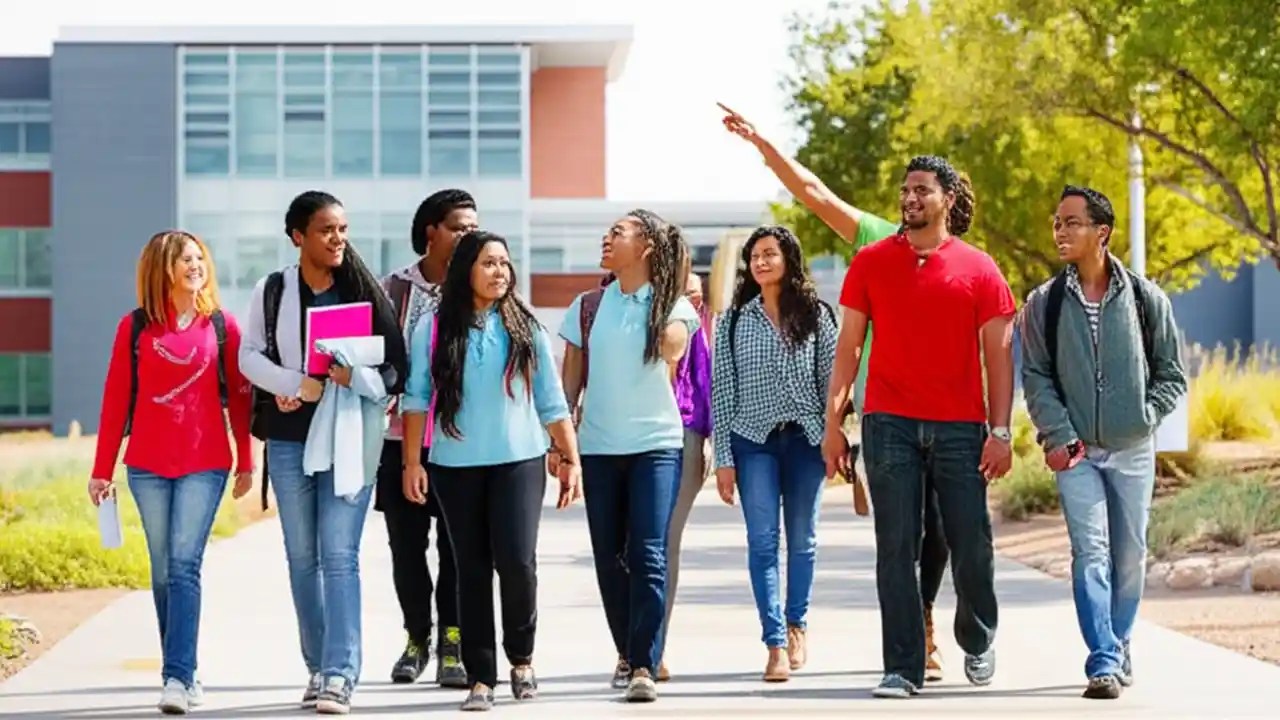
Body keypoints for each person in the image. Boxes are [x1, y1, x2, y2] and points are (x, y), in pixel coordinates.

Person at [718, 102, 955, 682]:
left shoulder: (967, 259)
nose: (910, 200)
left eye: (923, 190)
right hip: (887, 415)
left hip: (949, 414)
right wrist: (764, 144)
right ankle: (890, 640)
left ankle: (924, 618)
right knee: (895, 536)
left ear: (947, 198)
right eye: (907, 190)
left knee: (942, 533)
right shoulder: (876, 240)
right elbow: (815, 192)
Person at [239, 190, 408, 715]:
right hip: (290, 441)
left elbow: (396, 369)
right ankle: (316, 666)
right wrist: (292, 382)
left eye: (342, 230)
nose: (338, 239)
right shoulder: (272, 290)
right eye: (326, 230)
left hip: (349, 438)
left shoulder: (364, 291)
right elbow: (249, 355)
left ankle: (340, 673)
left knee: (339, 558)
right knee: (301, 558)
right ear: (297, 236)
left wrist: (350, 376)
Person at [401, 230, 583, 712]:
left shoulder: (525, 326)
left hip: (519, 462)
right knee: (471, 570)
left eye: (504, 263)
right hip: (453, 467)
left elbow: (550, 399)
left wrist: (570, 457)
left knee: (518, 563)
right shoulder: (434, 329)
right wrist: (412, 462)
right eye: (488, 263)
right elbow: (416, 398)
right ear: (465, 269)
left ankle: (522, 658)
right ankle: (482, 676)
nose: (500, 271)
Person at [1019, 185, 1187, 700]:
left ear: (1102, 232)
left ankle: (1119, 639)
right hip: (1075, 452)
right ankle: (1103, 659)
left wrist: (1143, 416)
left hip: (1133, 447)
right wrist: (1061, 434)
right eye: (1057, 221)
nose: (1060, 231)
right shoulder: (1044, 304)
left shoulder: (1144, 298)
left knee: (1130, 554)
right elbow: (1036, 377)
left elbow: (1172, 374)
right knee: (1090, 552)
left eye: (1072, 222)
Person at [88, 230, 254, 716]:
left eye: (200, 258)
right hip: (146, 465)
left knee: (184, 565)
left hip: (205, 463)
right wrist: (102, 470)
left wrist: (245, 458)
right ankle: (183, 667)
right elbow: (116, 396)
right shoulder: (135, 327)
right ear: (163, 267)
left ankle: (177, 677)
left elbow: (240, 398)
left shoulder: (222, 326)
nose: (196, 266)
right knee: (162, 571)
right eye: (186, 259)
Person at [556, 209, 699, 703]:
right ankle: (628, 648)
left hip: (656, 445)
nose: (606, 237)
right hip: (597, 447)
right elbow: (570, 381)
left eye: (618, 232)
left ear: (646, 248)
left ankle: (643, 661)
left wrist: (665, 293)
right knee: (608, 556)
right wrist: (562, 445)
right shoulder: (587, 305)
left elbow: (672, 347)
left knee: (648, 553)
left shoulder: (676, 305)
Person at [710, 225, 837, 682]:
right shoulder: (731, 322)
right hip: (752, 442)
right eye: (755, 256)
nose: (761, 262)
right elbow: (722, 395)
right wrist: (723, 459)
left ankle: (796, 622)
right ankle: (775, 643)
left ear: (789, 259)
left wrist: (835, 437)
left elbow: (831, 384)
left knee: (803, 541)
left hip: (806, 441)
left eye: (770, 254)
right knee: (763, 542)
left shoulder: (818, 316)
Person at [376, 189, 477, 688]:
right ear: (431, 232)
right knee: (406, 547)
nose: (469, 236)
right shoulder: (392, 288)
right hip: (400, 442)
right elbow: (371, 355)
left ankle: (453, 644)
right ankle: (417, 638)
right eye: (460, 227)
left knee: (458, 549)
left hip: (461, 441)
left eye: (474, 227)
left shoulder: (481, 285)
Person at [656, 266, 714, 682]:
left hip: (689, 434)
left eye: (698, 296)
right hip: (643, 437)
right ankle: (634, 644)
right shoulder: (653, 321)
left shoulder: (705, 331)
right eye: (685, 294)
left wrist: (712, 441)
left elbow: (710, 387)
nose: (693, 303)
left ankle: (653, 646)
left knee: (665, 543)